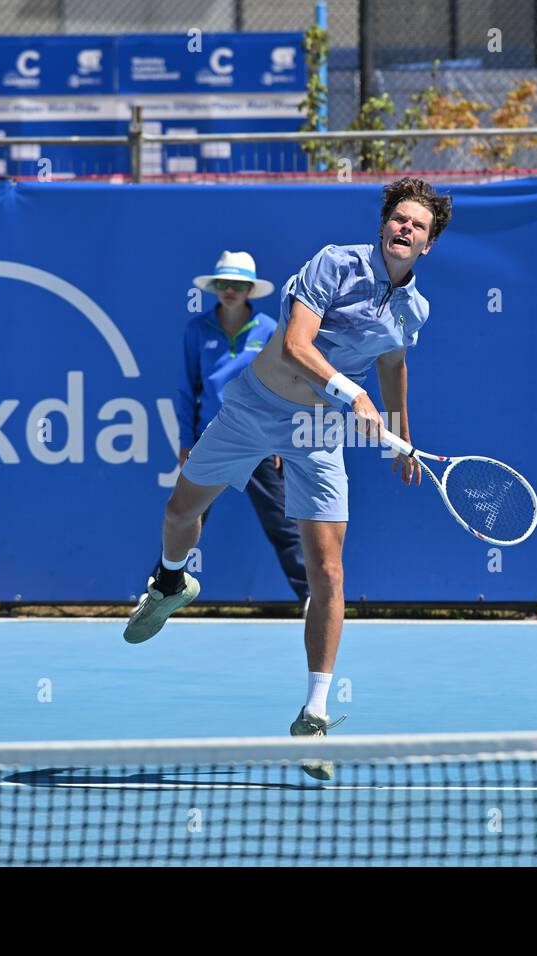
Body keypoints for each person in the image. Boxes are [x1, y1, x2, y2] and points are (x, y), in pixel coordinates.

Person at [124, 178, 453, 776]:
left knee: (326, 570)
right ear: (384, 225)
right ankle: (171, 583)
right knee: (180, 512)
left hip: (317, 435)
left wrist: (402, 438)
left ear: (428, 245)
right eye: (399, 219)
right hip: (254, 408)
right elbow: (299, 345)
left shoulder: (414, 309)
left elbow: (393, 362)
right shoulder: (334, 263)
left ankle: (315, 713)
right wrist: (352, 393)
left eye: (418, 226)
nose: (405, 230)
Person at [172, 251, 310, 607]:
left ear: (249, 289)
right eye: (223, 283)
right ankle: (164, 588)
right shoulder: (196, 330)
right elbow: (188, 390)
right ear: (215, 287)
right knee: (183, 516)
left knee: (282, 524)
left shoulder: (268, 330)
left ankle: (312, 598)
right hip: (210, 441)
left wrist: (279, 438)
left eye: (237, 284)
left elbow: (282, 388)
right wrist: (187, 441)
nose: (229, 290)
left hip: (260, 441)